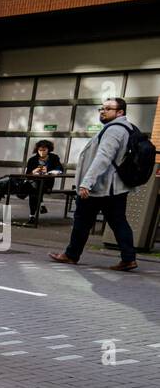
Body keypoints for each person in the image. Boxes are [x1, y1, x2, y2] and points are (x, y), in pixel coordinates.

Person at [49, 98, 142, 272]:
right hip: (114, 188)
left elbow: (103, 158)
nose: (102, 111)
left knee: (82, 221)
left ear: (120, 112)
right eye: (101, 108)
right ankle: (128, 259)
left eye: (108, 108)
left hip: (101, 187)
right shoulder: (124, 128)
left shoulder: (114, 130)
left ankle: (71, 255)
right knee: (118, 222)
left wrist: (86, 183)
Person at [15, 140, 64, 225]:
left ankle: (32, 216)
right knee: (34, 189)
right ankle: (39, 204)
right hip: (33, 183)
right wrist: (34, 171)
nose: (41, 152)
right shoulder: (32, 159)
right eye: (40, 150)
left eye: (44, 150)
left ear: (48, 149)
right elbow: (27, 174)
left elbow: (60, 169)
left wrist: (48, 170)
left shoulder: (54, 158)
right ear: (37, 150)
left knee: (34, 189)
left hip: (47, 184)